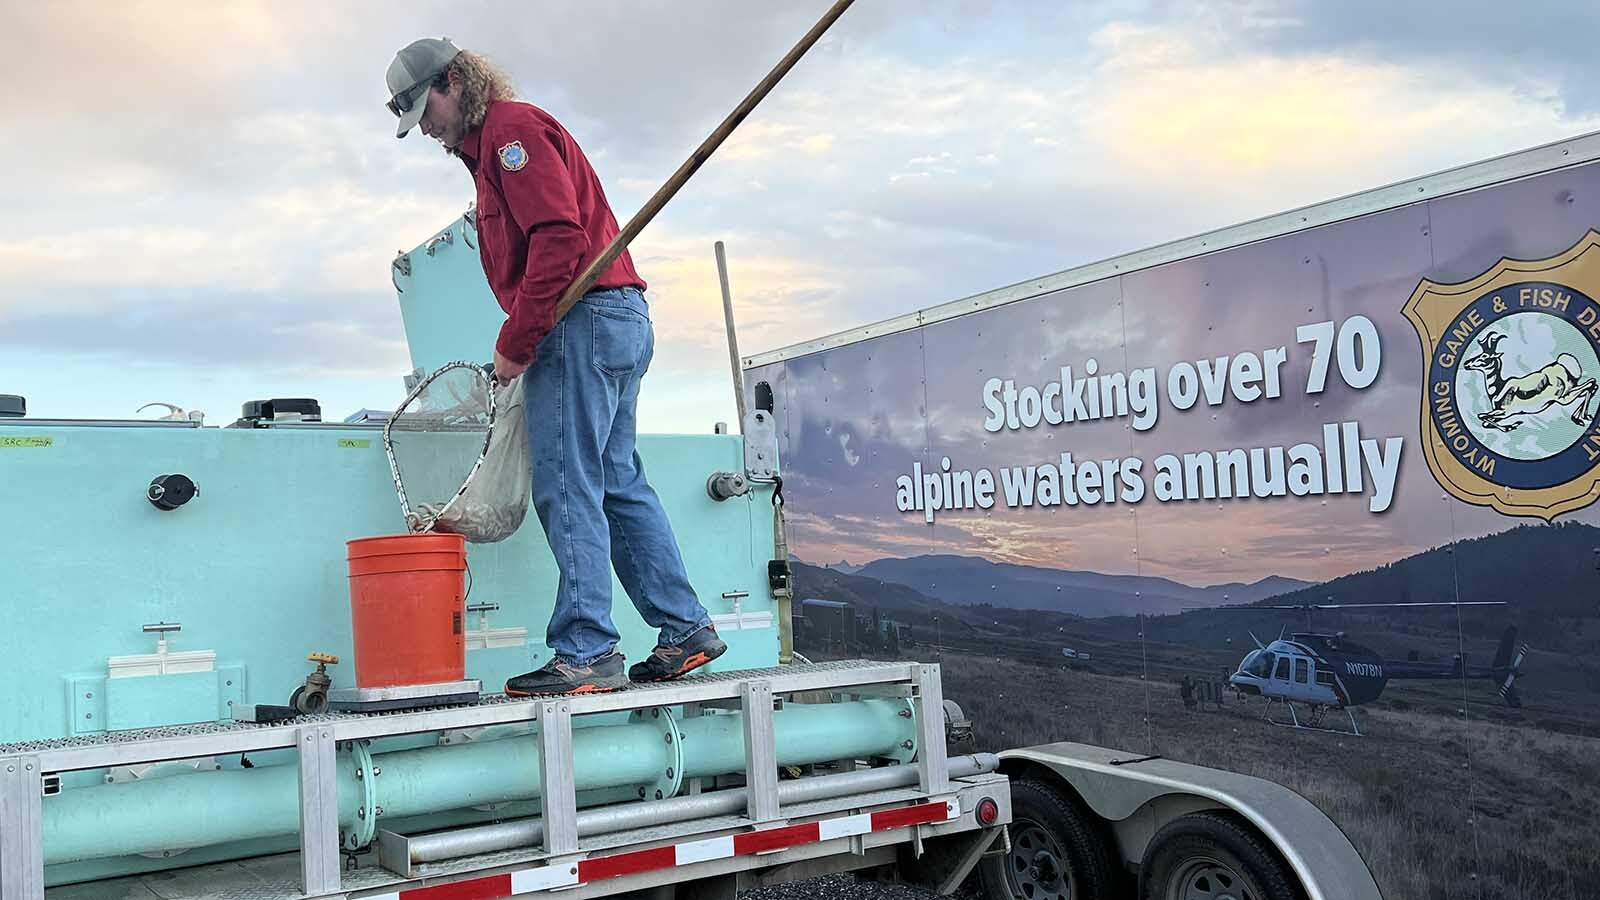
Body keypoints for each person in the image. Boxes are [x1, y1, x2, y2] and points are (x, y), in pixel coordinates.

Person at [385, 37, 725, 696]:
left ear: (456, 82)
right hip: (616, 321)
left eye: (427, 109)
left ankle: (586, 649)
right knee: (616, 481)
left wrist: (519, 337)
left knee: (567, 483)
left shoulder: (511, 135)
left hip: (583, 324)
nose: (426, 127)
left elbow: (559, 237)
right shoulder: (495, 151)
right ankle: (684, 628)